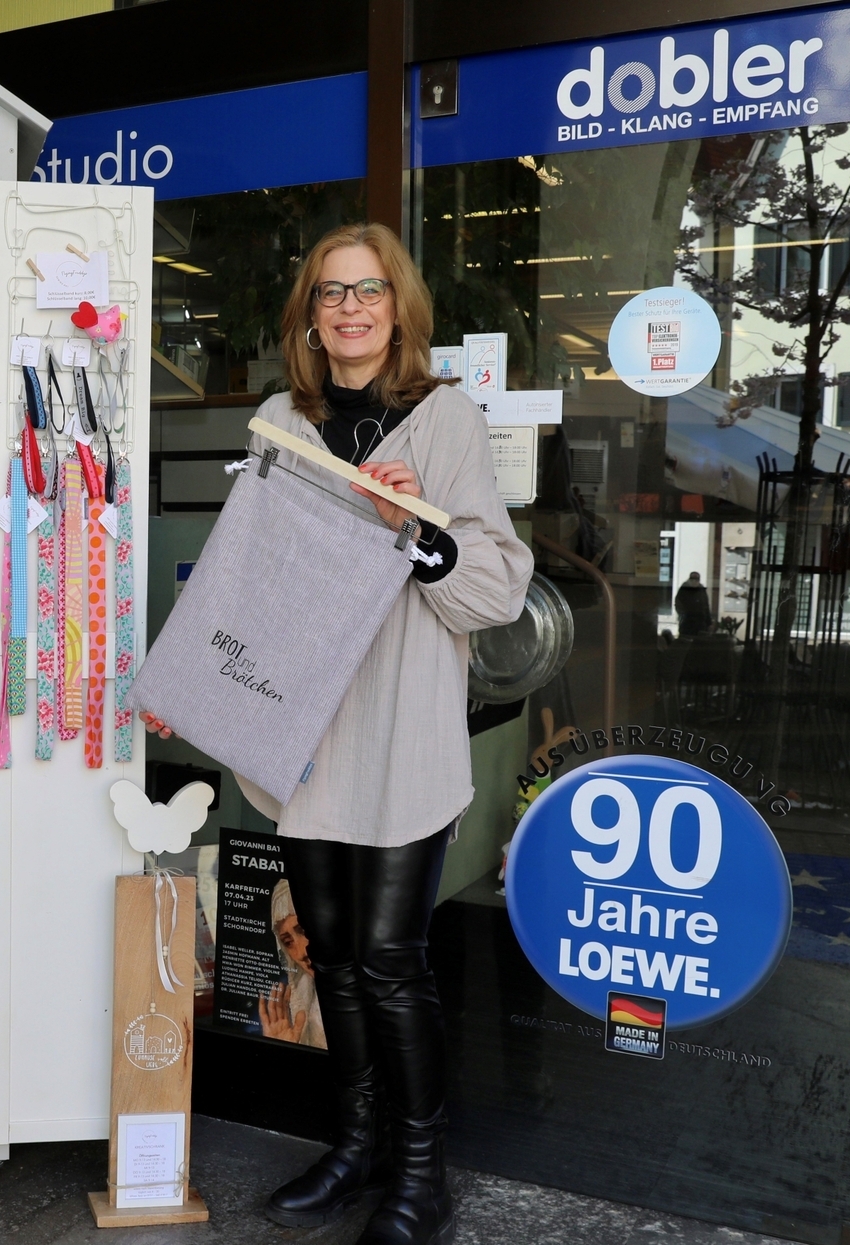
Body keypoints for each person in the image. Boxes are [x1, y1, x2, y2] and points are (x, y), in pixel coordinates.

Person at [141, 222, 532, 1245]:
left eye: (365, 291)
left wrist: (426, 535)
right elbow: (246, 575)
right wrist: (181, 681)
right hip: (303, 733)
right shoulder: (281, 420)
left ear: (397, 306)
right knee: (334, 957)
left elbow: (494, 584)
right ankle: (356, 1150)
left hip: (400, 734)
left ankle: (419, 1174)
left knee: (391, 958)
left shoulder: (443, 421)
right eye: (328, 293)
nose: (348, 308)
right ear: (308, 316)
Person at [260, 878, 326, 1048]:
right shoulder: (302, 1007)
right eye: (288, 942)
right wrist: (283, 1048)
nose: (302, 953)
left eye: (304, 931)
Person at [675, 570, 713, 636]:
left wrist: (709, 623)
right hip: (687, 622)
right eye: (692, 579)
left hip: (700, 622)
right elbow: (678, 604)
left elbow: (706, 606)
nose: (694, 581)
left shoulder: (701, 590)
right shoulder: (684, 589)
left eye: (696, 579)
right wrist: (683, 615)